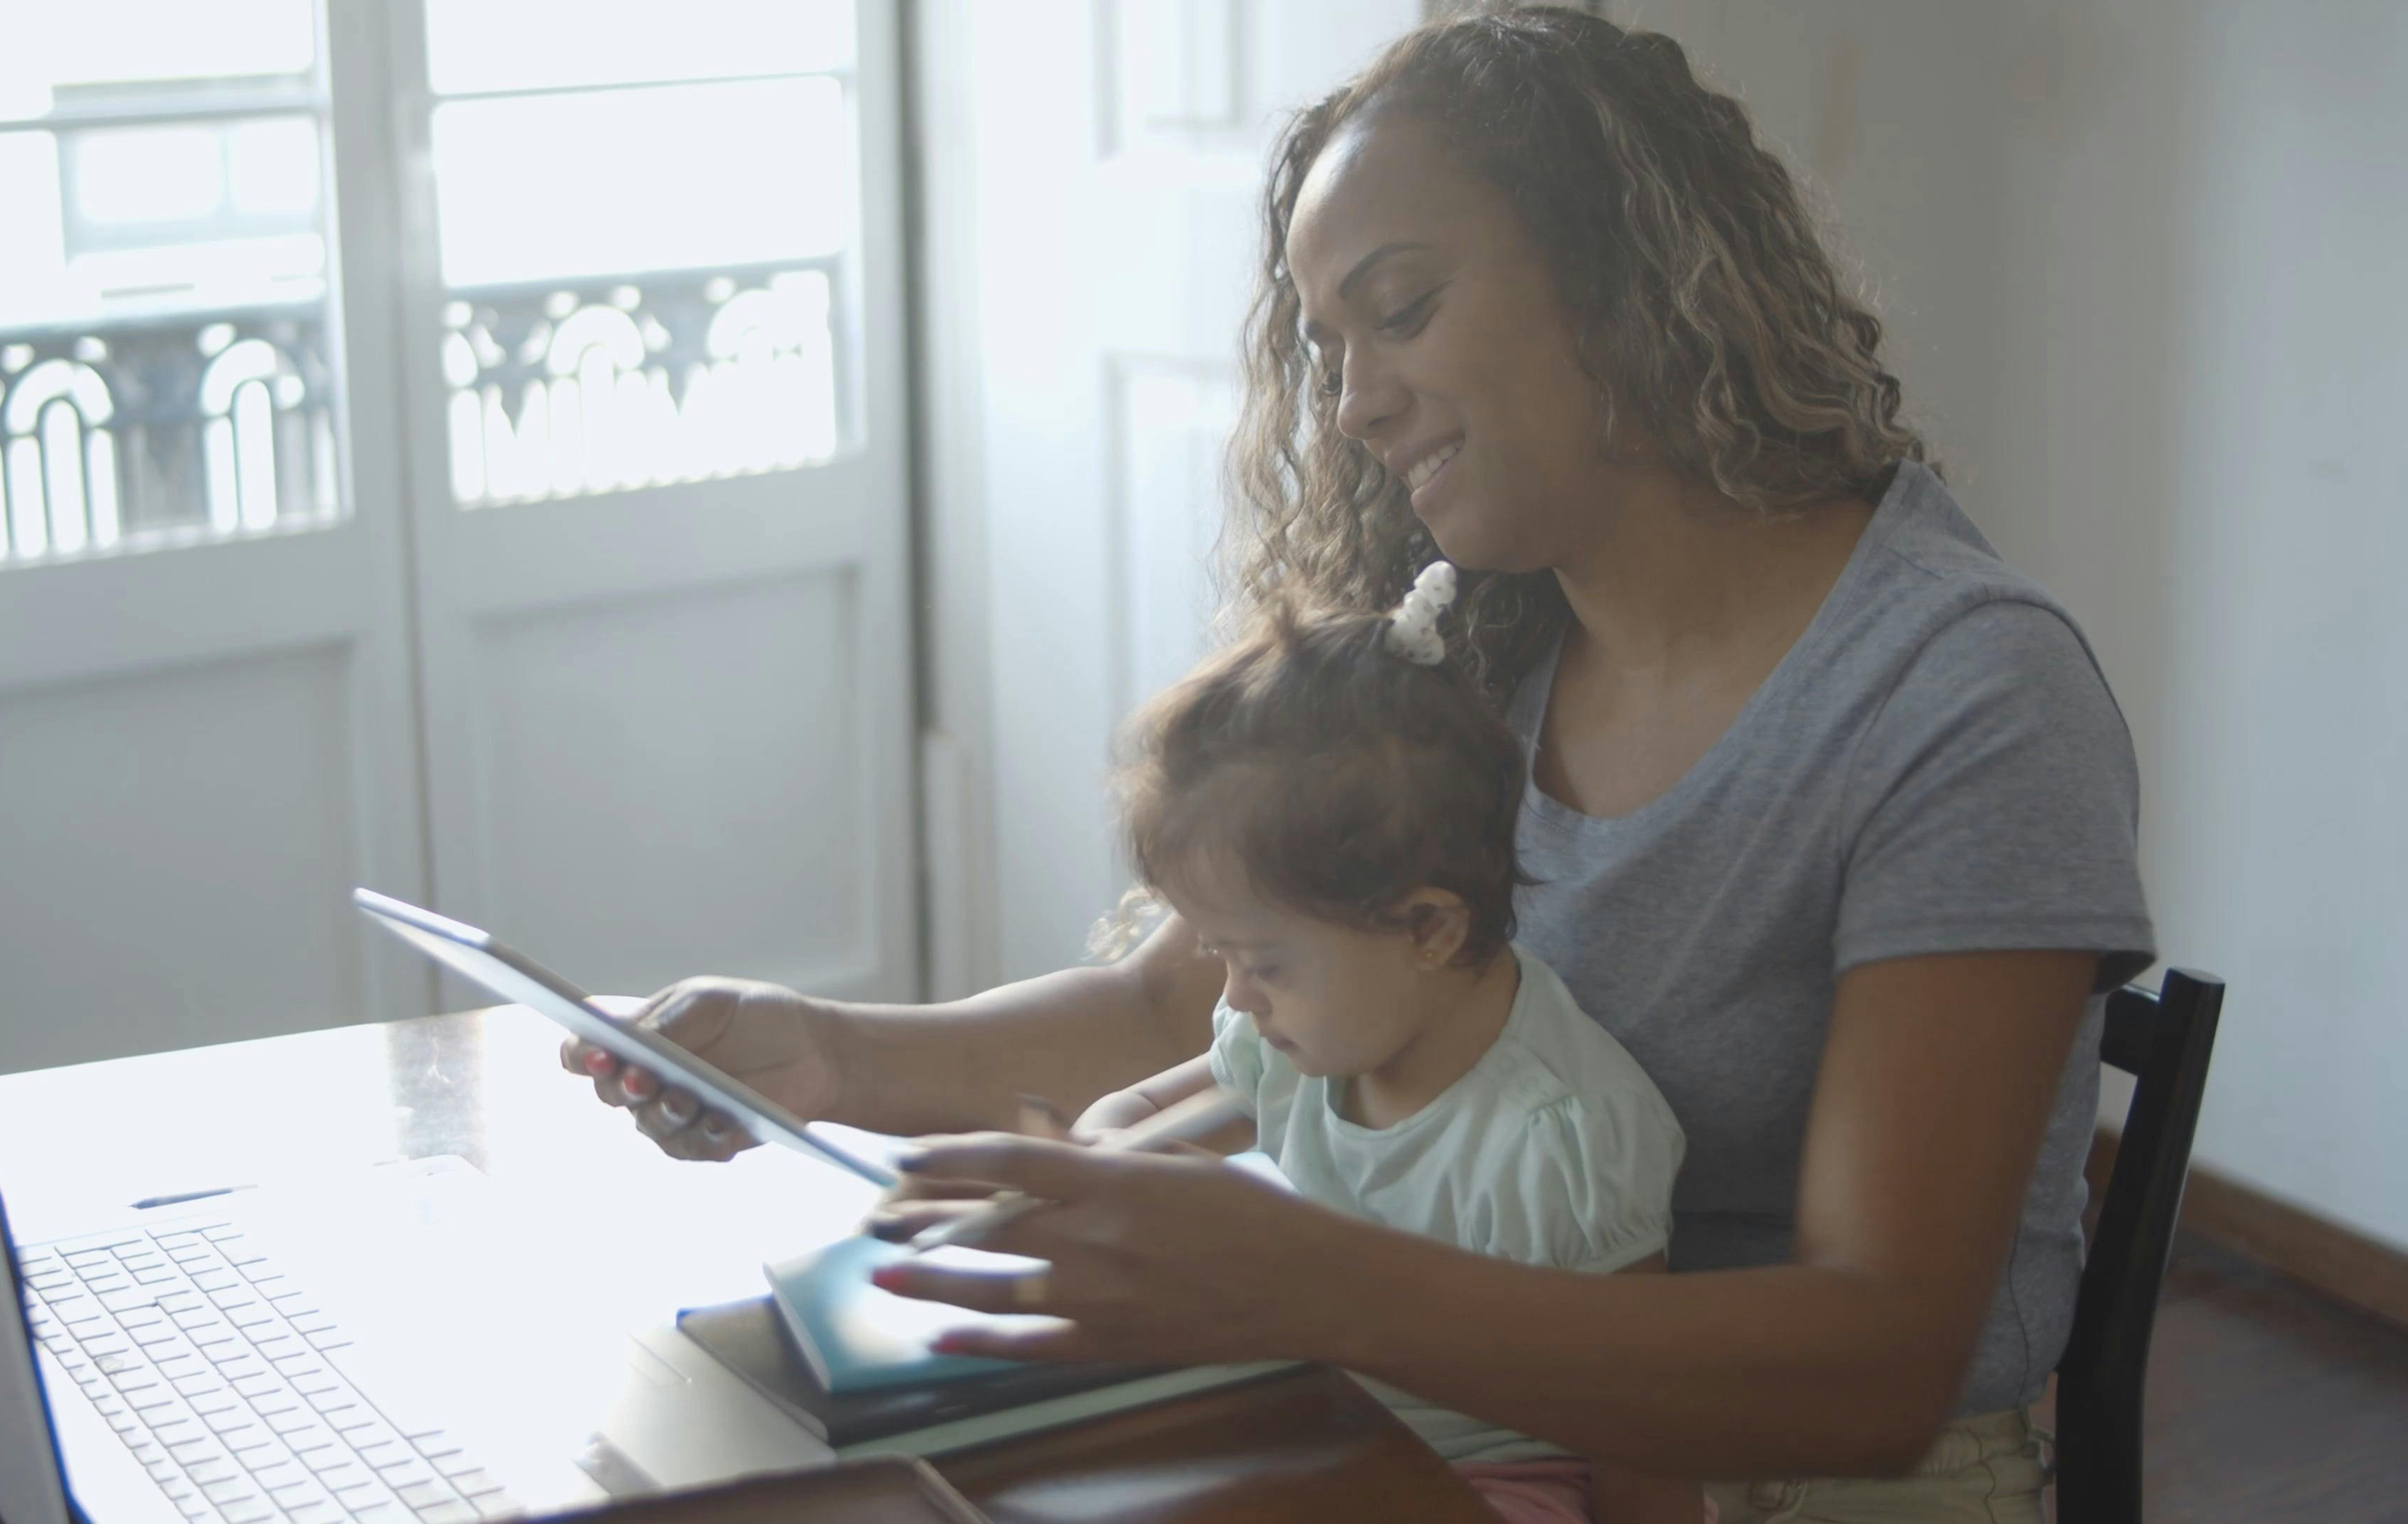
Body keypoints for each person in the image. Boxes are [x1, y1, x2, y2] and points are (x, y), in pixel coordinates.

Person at [561, 8, 2152, 1520]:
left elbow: (1876, 1366)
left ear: (1625, 276)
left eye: (1400, 312)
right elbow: (1164, 1007)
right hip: (1446, 1428)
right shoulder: (1474, 645)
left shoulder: (1963, 697)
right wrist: (828, 1055)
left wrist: (1294, 1279)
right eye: (1329, 346)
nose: (1358, 402)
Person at [1000, 566, 1702, 1523]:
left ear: (1429, 932)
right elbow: (1151, 1115)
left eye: (1265, 964)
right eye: (1220, 956)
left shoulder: (1562, 1138)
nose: (1237, 998)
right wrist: (1091, 1152)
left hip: (1496, 1482)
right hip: (1324, 1437)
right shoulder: (1286, 1040)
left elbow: (1647, 1429)